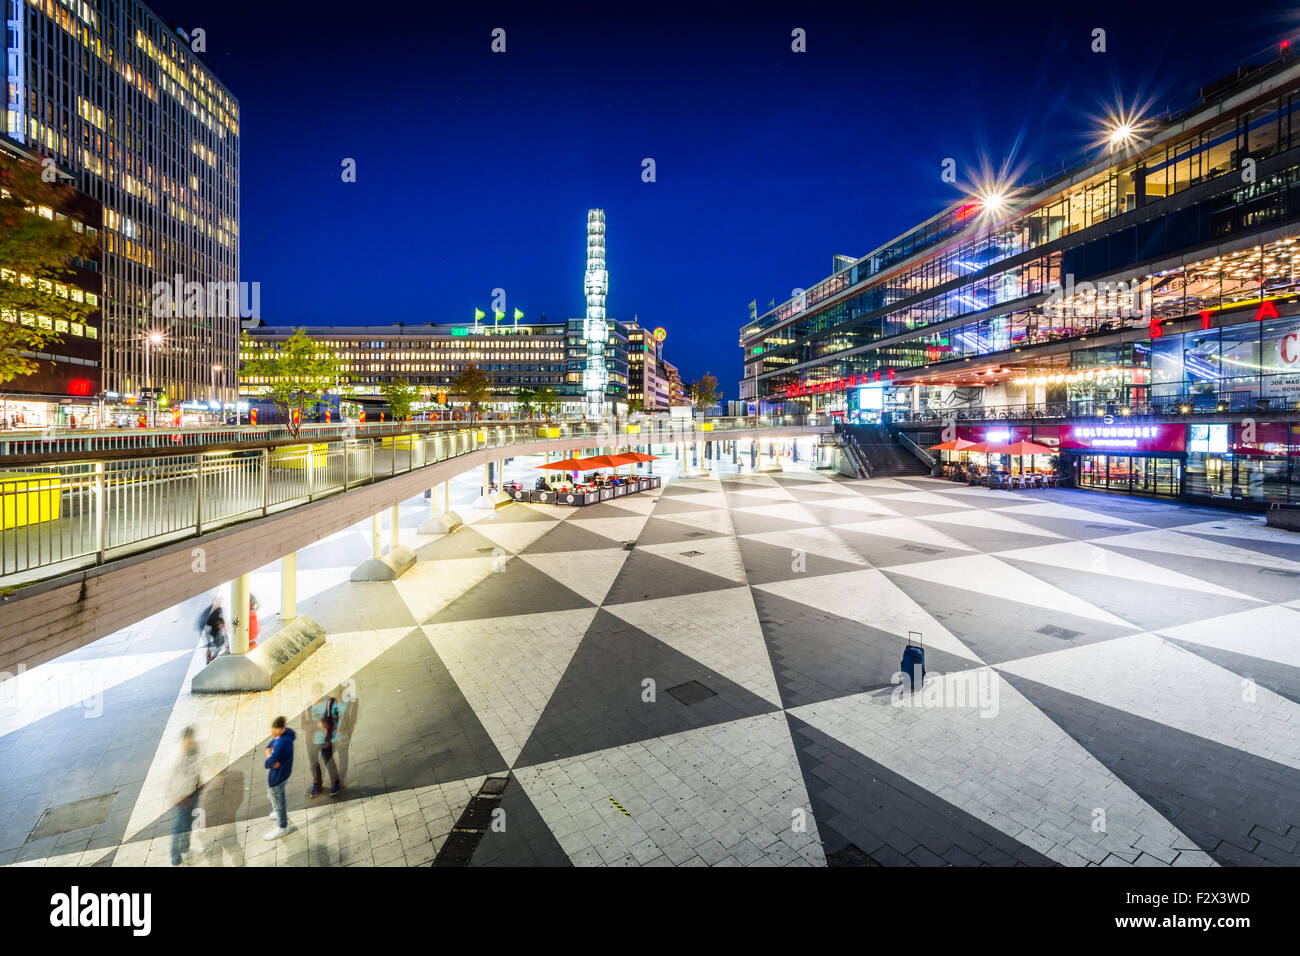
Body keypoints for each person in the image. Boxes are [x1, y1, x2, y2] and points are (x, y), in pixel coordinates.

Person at [169, 726, 203, 865]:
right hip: (182, 797)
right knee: (179, 829)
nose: (192, 741)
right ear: (184, 740)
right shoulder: (176, 757)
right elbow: (168, 779)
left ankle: (186, 849)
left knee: (188, 824)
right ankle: (176, 860)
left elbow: (195, 767)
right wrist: (174, 795)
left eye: (192, 738)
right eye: (189, 739)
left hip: (193, 791)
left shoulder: (194, 748)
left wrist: (199, 781)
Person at [305, 683, 342, 798]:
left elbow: (335, 721)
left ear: (322, 692)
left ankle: (335, 781)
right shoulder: (309, 705)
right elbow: (305, 723)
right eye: (313, 693)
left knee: (328, 761)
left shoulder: (330, 703)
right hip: (311, 740)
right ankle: (317, 783)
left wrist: (330, 737)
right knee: (313, 763)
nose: (316, 696)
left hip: (325, 739)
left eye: (318, 692)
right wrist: (317, 725)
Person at [264, 716, 295, 840]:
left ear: (281, 729)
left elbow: (268, 763)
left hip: (277, 777)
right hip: (284, 774)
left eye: (274, 731)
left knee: (277, 800)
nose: (272, 733)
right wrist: (270, 750)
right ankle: (279, 814)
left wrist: (268, 754)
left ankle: (282, 827)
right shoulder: (287, 734)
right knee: (277, 797)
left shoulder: (282, 743)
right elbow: (270, 744)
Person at [201, 597, 227, 664]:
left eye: (219, 602)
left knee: (214, 644)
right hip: (210, 629)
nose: (219, 603)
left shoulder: (218, 610)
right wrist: (222, 626)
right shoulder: (213, 610)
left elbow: (219, 620)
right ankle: (212, 659)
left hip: (212, 628)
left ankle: (211, 659)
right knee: (216, 644)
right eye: (217, 602)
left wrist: (222, 625)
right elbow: (215, 620)